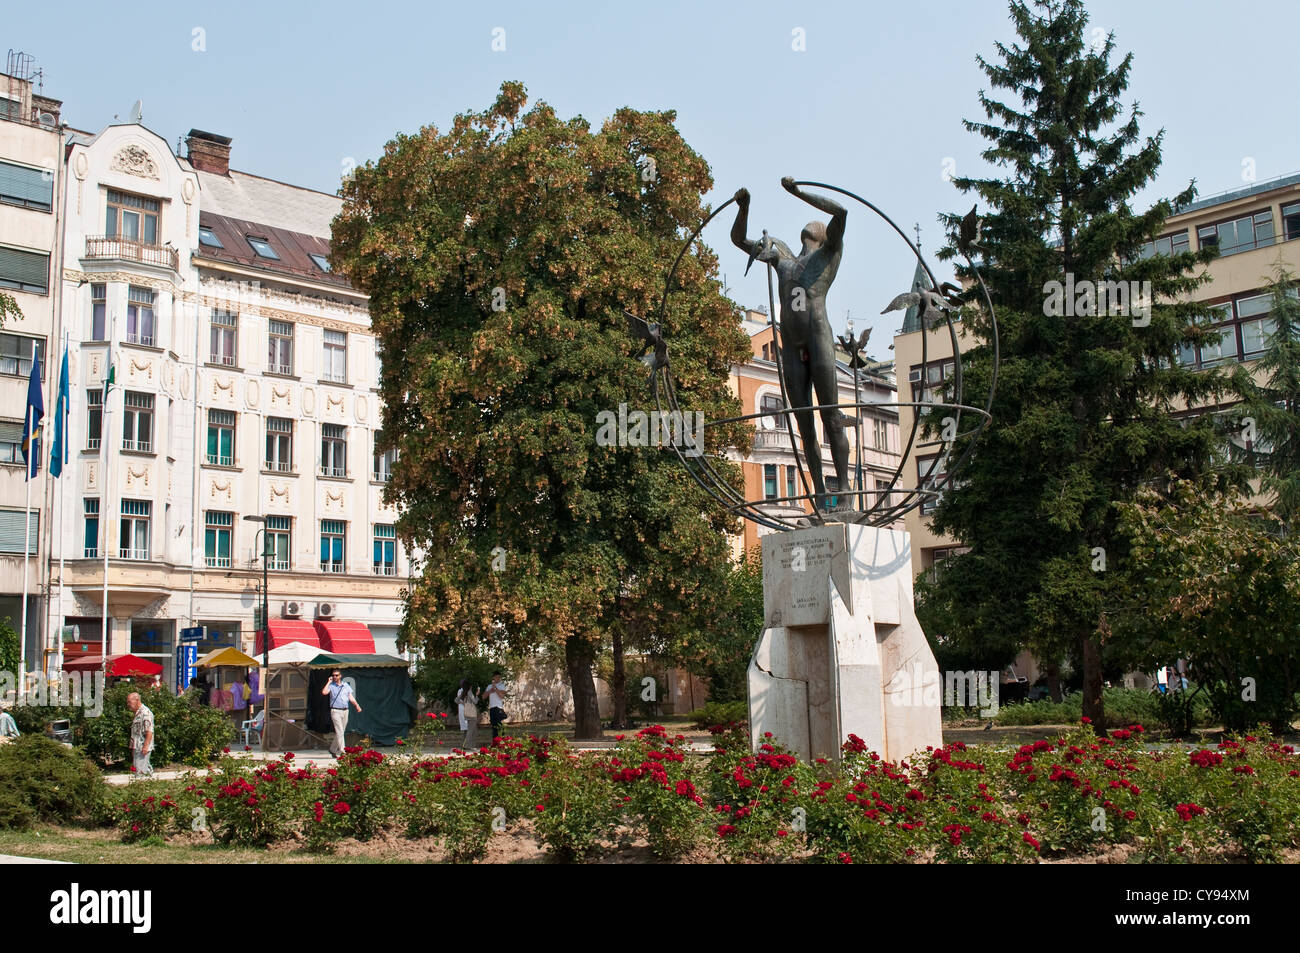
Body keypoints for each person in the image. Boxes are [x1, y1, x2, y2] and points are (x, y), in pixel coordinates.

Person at [731, 178, 850, 509]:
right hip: (793, 347)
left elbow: (841, 210)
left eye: (817, 224)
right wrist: (744, 207)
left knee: (831, 416)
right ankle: (820, 495)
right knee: (804, 424)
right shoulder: (782, 256)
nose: (811, 224)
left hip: (819, 337)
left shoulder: (828, 254)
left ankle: (844, 489)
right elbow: (739, 239)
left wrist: (799, 193)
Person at [321, 669, 361, 758]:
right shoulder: (331, 686)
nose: (335, 677)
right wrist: (328, 682)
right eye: (333, 675)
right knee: (339, 731)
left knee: (341, 731)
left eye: (336, 675)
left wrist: (357, 705)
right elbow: (324, 692)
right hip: (335, 711)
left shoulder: (345, 685)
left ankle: (332, 749)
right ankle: (343, 751)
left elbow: (350, 697)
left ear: (340, 676)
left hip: (345, 710)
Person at [126, 692, 154, 775]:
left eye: (129, 702)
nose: (128, 704)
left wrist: (145, 746)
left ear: (137, 700)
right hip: (137, 747)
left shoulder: (145, 713)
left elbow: (149, 731)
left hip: (142, 747)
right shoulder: (138, 713)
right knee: (138, 770)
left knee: (141, 772)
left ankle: (145, 784)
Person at [482, 672, 508, 740]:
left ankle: (502, 740)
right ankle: (495, 741)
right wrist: (490, 690)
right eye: (496, 677)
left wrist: (496, 689)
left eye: (499, 677)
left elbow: (502, 696)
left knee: (500, 725)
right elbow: (483, 697)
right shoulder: (489, 686)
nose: (498, 679)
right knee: (494, 726)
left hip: (498, 708)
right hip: (492, 708)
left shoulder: (502, 685)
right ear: (493, 678)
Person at [455, 678, 479, 750]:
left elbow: (456, 700)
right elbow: (475, 702)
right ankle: (468, 745)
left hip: (464, 712)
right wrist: (477, 695)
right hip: (471, 713)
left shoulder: (462, 692)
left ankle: (466, 745)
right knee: (471, 729)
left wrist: (463, 703)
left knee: (468, 729)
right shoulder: (469, 692)